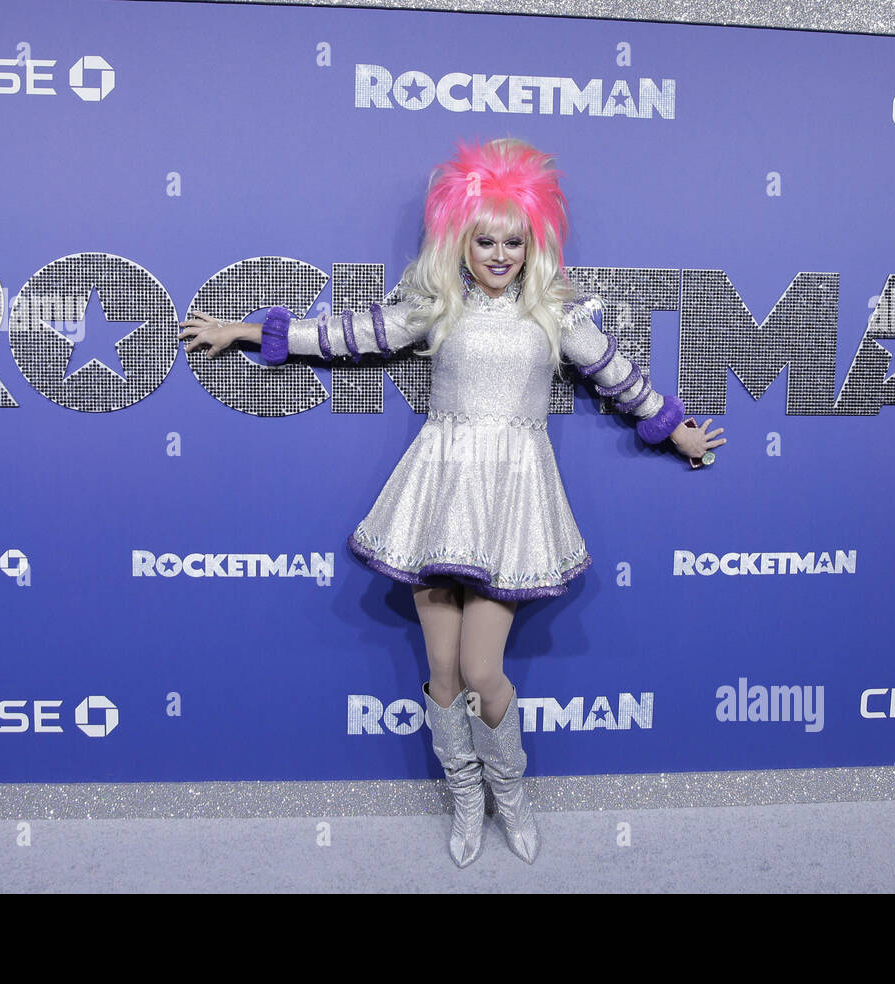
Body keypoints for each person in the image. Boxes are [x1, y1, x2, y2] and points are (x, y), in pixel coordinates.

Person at [178, 137, 726, 869]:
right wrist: (248, 330)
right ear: (460, 240)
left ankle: (513, 794)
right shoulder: (436, 304)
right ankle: (466, 798)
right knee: (441, 674)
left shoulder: (554, 312)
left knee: (481, 672)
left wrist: (676, 429)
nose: (499, 254)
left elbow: (620, 377)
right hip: (438, 494)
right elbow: (351, 334)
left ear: (533, 245)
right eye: (485, 239)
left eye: (513, 241)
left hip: (512, 500)